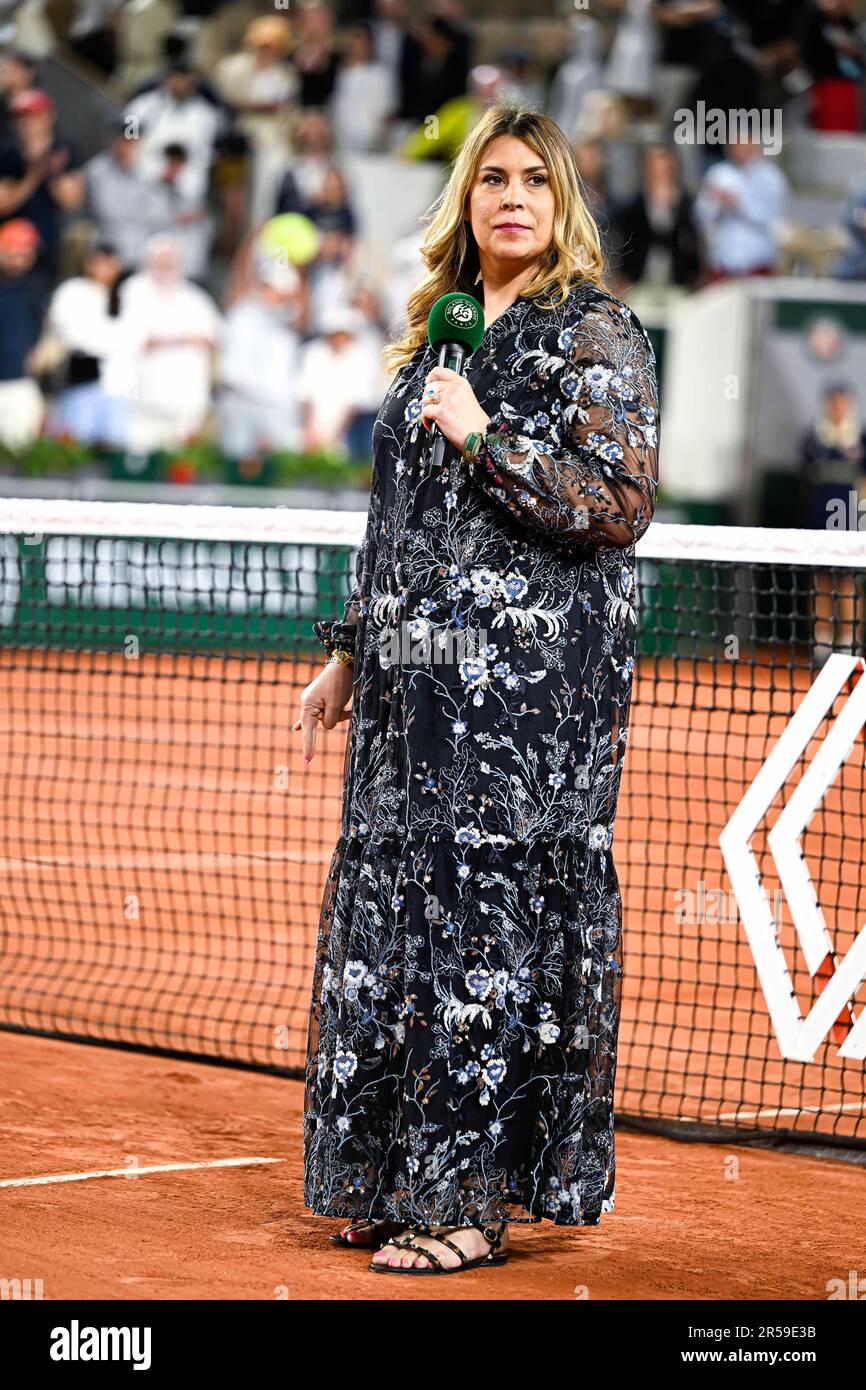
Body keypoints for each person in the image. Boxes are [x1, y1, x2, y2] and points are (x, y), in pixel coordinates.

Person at [295, 102, 659, 1274]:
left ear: (561, 205)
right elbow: (390, 514)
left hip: (525, 701)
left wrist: (485, 432)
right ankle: (393, 1176)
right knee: (395, 922)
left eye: (533, 182)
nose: (509, 198)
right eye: (490, 178)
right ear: (464, 200)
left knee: (483, 929)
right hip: (410, 696)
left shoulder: (594, 332)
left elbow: (614, 504)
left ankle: (462, 1204)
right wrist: (351, 648)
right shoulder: (434, 337)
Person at [119, 233, 220, 453]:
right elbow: (137, 340)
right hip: (141, 403)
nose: (166, 265)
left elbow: (212, 339)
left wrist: (165, 339)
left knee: (179, 472)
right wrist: (184, 338)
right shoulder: (132, 291)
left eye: (171, 260)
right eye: (160, 259)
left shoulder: (196, 298)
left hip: (186, 404)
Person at [798, 381, 866, 653]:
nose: (838, 406)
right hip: (818, 519)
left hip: (851, 519)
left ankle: (848, 642)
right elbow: (805, 476)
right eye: (833, 401)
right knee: (821, 580)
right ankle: (821, 642)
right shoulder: (813, 439)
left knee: (848, 581)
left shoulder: (861, 438)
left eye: (842, 401)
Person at [44, 242, 129, 448]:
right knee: (73, 440)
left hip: (116, 383)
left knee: (112, 443)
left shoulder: (124, 297)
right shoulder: (73, 291)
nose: (104, 269)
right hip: (80, 376)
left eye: (110, 264)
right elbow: (71, 335)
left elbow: (128, 339)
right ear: (89, 265)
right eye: (99, 263)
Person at [216, 261, 304, 459]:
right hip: (244, 404)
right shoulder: (242, 316)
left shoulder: (286, 323)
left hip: (277, 409)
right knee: (238, 471)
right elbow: (234, 375)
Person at [0, 88, 84, 275]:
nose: (28, 124)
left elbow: (71, 200)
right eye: (22, 118)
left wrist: (53, 174)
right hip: (8, 243)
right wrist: (34, 173)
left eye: (35, 117)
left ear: (49, 117)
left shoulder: (64, 149)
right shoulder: (7, 153)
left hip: (46, 242)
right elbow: (4, 204)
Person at [693, 133, 789, 281]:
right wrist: (716, 203)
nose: (740, 148)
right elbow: (701, 217)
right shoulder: (717, 174)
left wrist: (739, 205)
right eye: (736, 143)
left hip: (758, 264)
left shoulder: (771, 178)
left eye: (745, 143)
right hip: (723, 263)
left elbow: (776, 222)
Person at [0, 215, 48, 447]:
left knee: (20, 451)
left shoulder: (37, 286)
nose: (18, 260)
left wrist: (43, 352)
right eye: (13, 252)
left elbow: (47, 328)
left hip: (19, 382)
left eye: (24, 254)